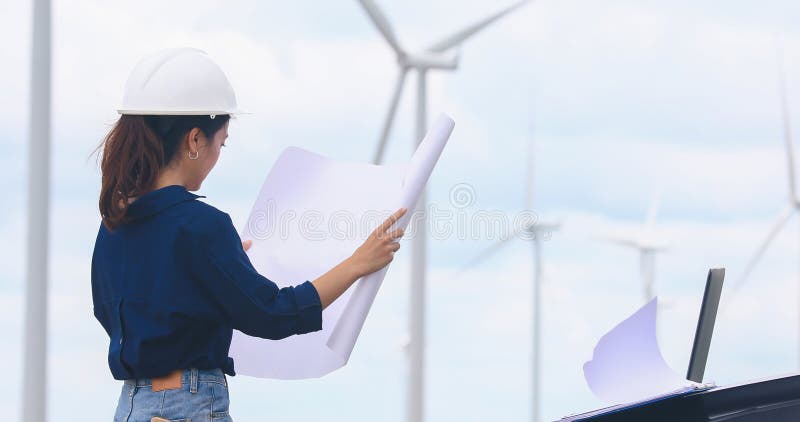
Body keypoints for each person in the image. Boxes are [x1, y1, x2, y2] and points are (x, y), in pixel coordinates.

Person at [91, 48, 406, 422]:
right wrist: (357, 264)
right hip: (186, 407)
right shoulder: (201, 226)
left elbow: (109, 311)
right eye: (220, 143)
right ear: (194, 140)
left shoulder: (114, 222)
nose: (217, 155)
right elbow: (273, 315)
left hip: (132, 408)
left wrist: (200, 283)